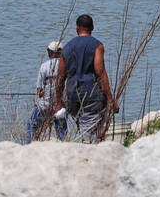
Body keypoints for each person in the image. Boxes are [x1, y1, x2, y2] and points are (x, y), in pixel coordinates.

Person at [54, 14, 117, 143]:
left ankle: (86, 148)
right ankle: (89, 156)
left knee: (84, 128)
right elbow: (99, 72)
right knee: (89, 133)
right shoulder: (97, 46)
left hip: (72, 95)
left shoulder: (67, 48)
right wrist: (110, 99)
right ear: (92, 28)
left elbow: (60, 77)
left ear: (77, 28)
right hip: (91, 95)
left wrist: (59, 101)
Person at [26, 41, 66, 143]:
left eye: (48, 51)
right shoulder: (66, 65)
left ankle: (30, 146)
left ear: (52, 52)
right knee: (61, 128)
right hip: (61, 106)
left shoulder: (44, 66)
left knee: (31, 124)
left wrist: (39, 98)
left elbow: (39, 89)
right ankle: (63, 144)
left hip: (45, 105)